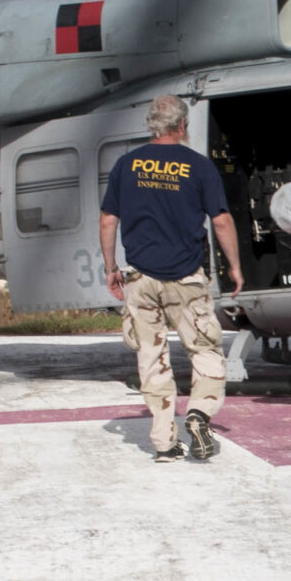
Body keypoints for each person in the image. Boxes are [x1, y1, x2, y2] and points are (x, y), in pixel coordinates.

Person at [99, 94, 246, 463]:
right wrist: (235, 266)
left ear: (152, 124)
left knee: (151, 356)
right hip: (186, 277)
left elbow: (107, 220)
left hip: (140, 278)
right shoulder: (198, 166)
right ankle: (199, 413)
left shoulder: (126, 165)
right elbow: (221, 220)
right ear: (182, 125)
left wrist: (109, 266)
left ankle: (165, 443)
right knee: (205, 350)